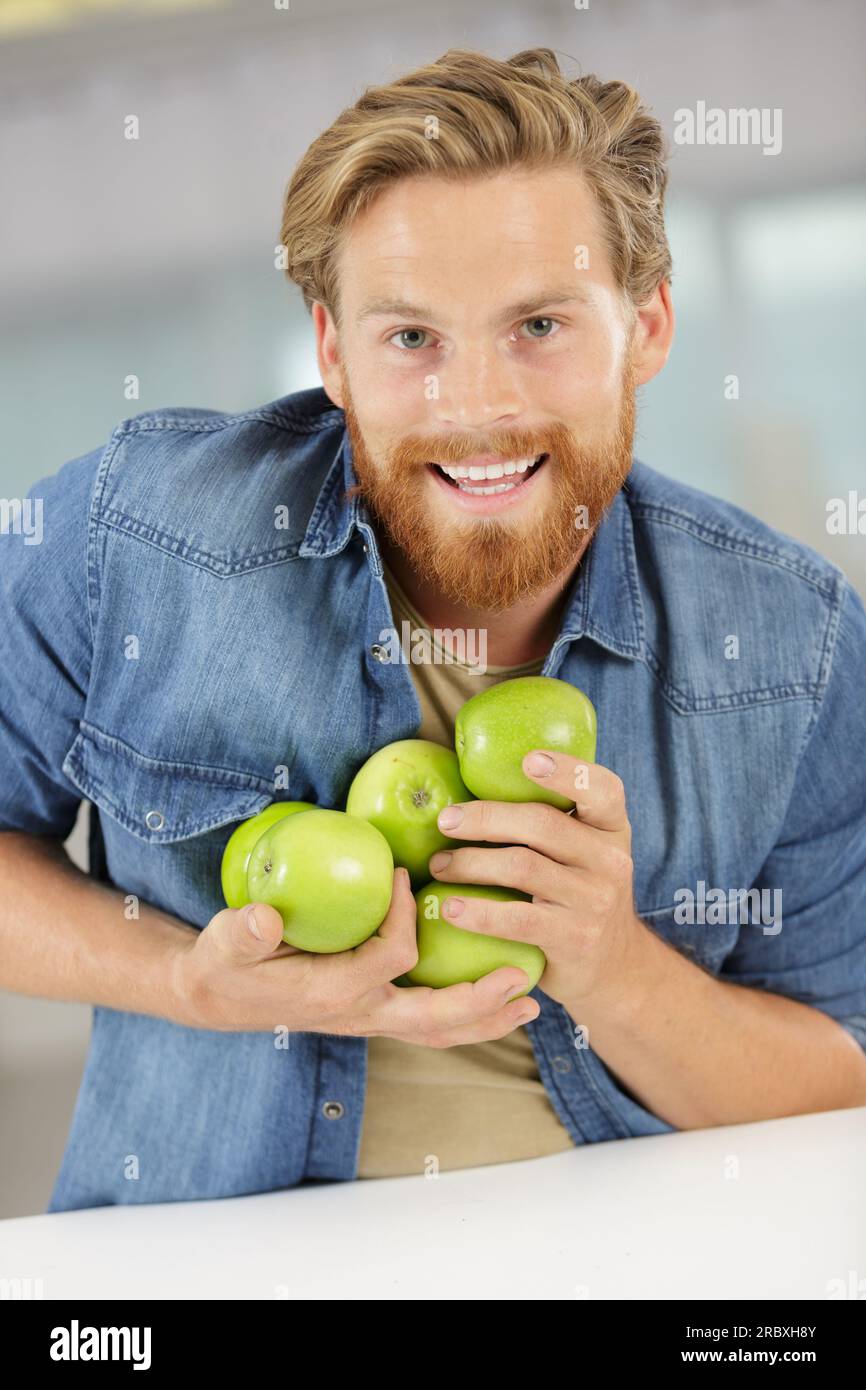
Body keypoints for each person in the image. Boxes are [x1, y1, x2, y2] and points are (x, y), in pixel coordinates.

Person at [2, 48, 864, 1212]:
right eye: (411, 338)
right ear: (330, 352)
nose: (475, 407)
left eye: (539, 325)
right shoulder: (135, 536)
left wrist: (614, 968)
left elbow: (836, 1077)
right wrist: (192, 982)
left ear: (646, 325)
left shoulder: (788, 641)